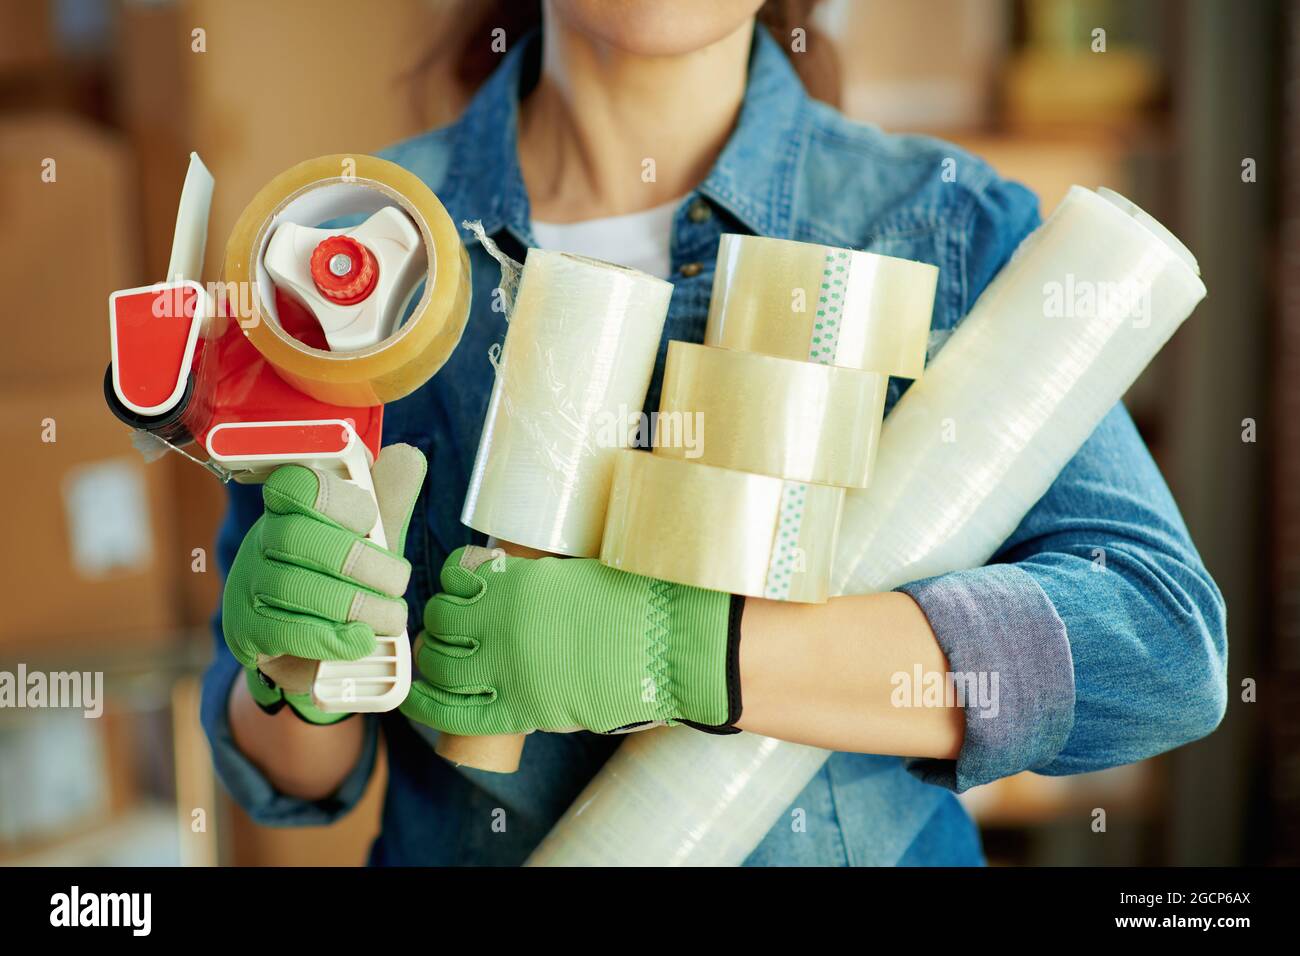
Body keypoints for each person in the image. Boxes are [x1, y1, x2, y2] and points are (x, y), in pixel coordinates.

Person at [203, 0, 1228, 865]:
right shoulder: (352, 241)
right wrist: (300, 670)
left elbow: (1159, 650)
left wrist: (683, 647)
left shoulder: (938, 229)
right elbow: (292, 775)